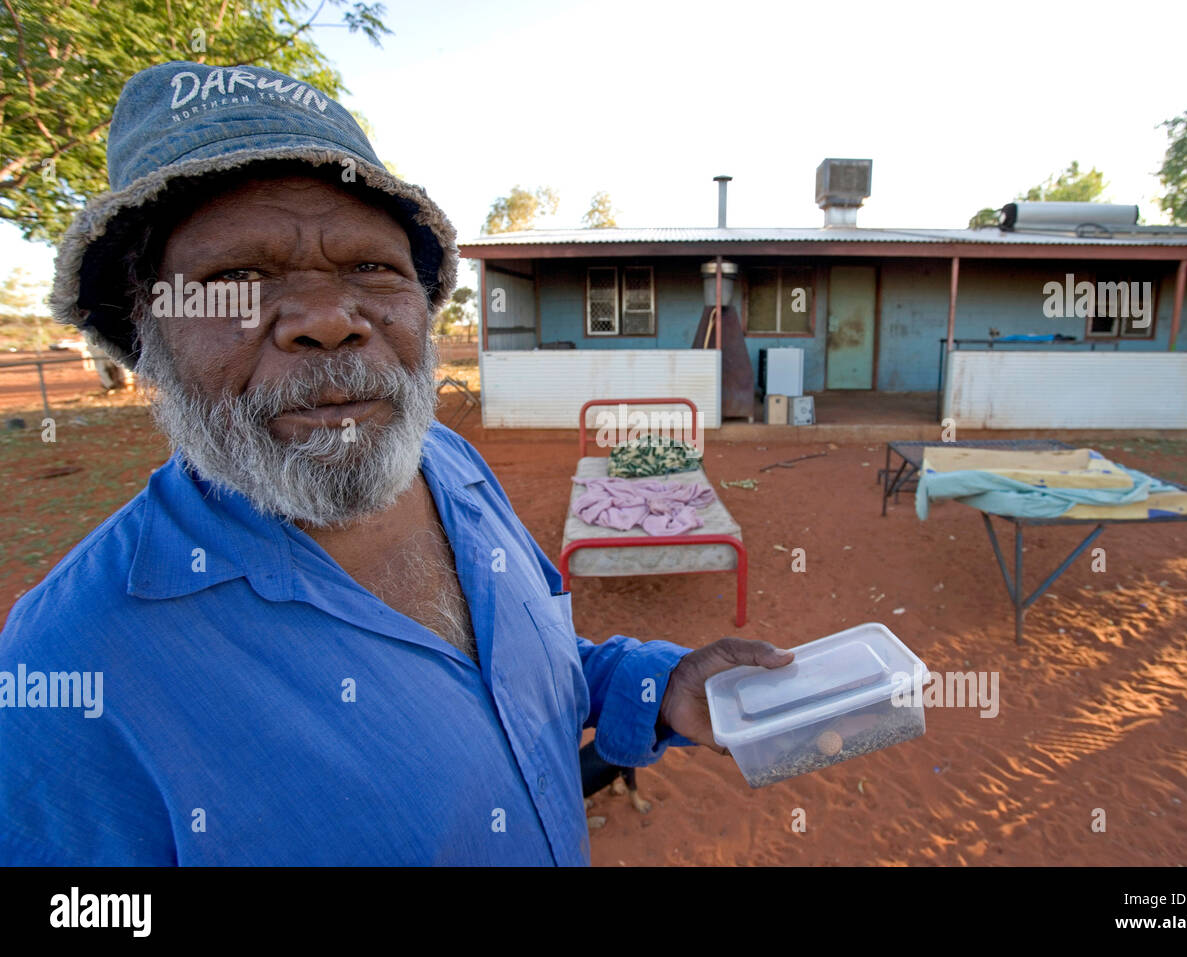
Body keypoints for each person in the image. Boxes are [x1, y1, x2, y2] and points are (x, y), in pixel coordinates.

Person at [0, 61, 791, 866]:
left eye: (371, 268)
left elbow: (522, 681)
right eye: (235, 281)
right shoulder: (69, 667)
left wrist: (657, 688)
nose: (328, 320)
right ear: (145, 331)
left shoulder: (453, 469)